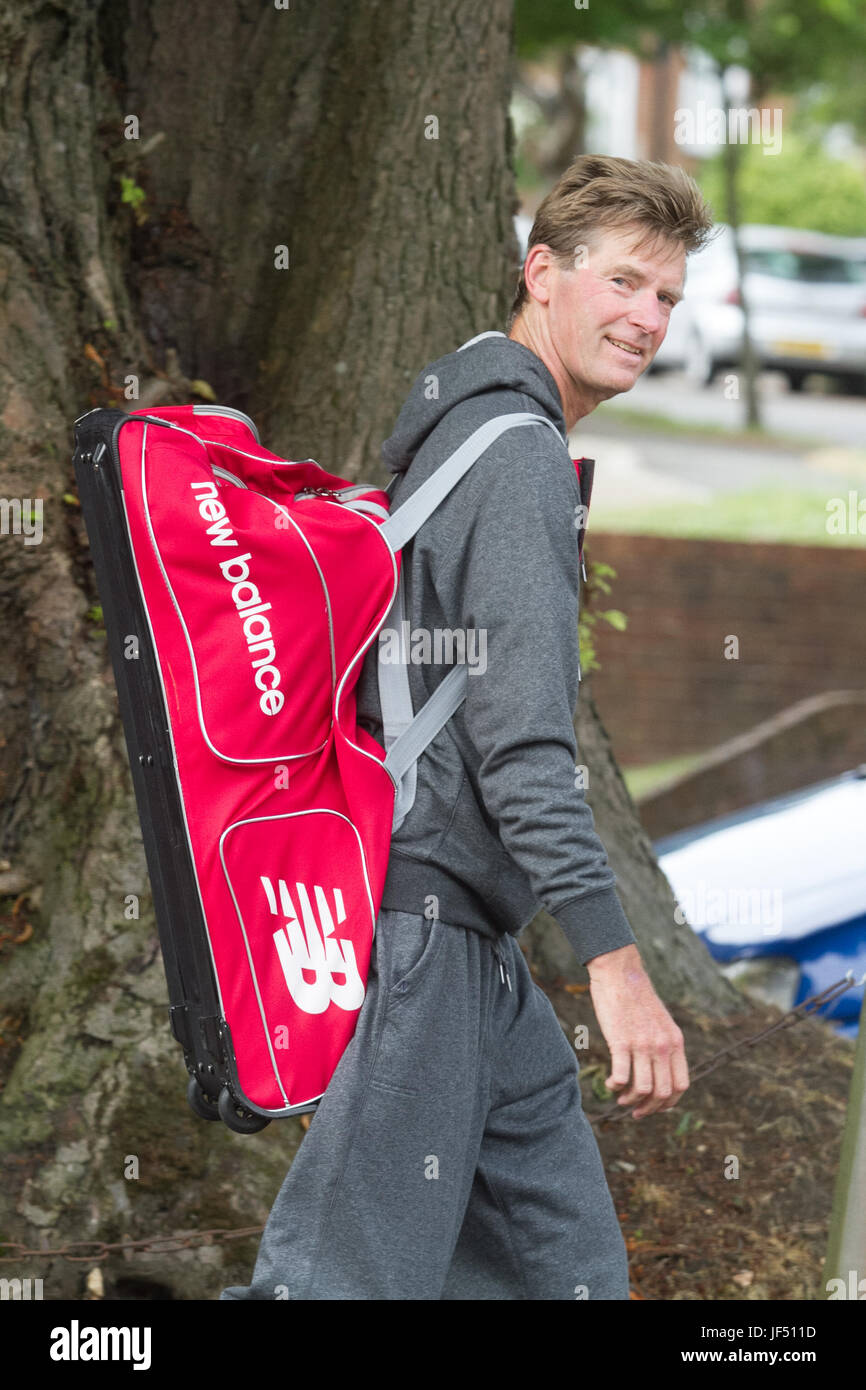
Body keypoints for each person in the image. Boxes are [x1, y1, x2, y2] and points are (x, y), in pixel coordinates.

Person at [220, 153, 716, 1302]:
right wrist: (614, 960)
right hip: (421, 932)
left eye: (667, 299)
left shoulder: (471, 424)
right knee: (336, 1283)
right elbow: (523, 745)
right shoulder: (518, 458)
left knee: (567, 1273)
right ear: (541, 274)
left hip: (470, 946)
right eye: (624, 283)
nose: (645, 318)